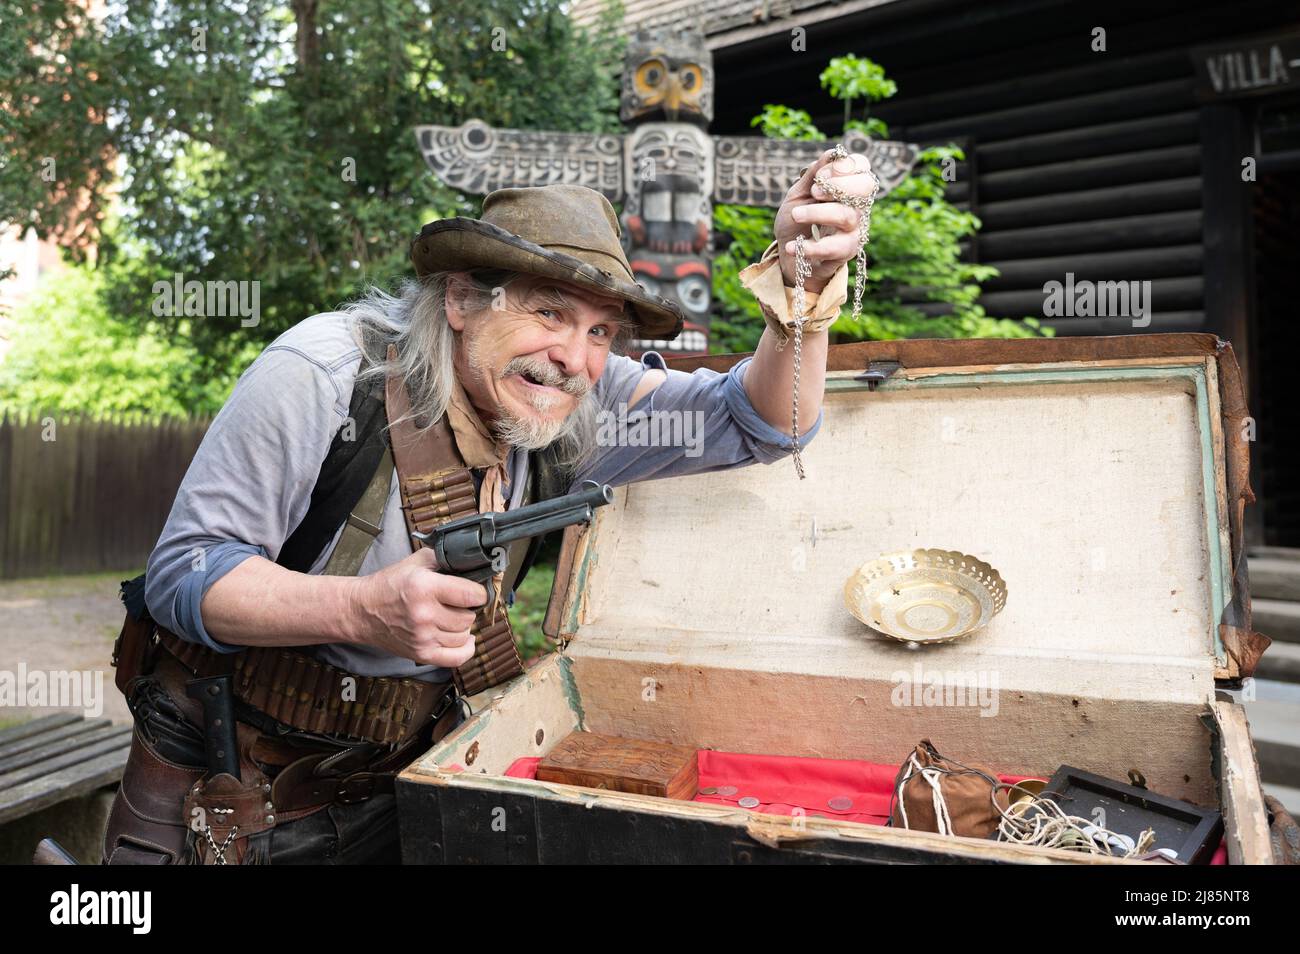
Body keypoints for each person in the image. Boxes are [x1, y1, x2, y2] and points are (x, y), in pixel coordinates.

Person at [101, 149, 877, 864]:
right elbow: (184, 572)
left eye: (600, 330)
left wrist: (798, 299)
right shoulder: (325, 373)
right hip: (232, 789)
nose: (574, 357)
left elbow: (767, 422)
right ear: (462, 299)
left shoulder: (579, 396)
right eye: (547, 312)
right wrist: (360, 609)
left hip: (401, 780)